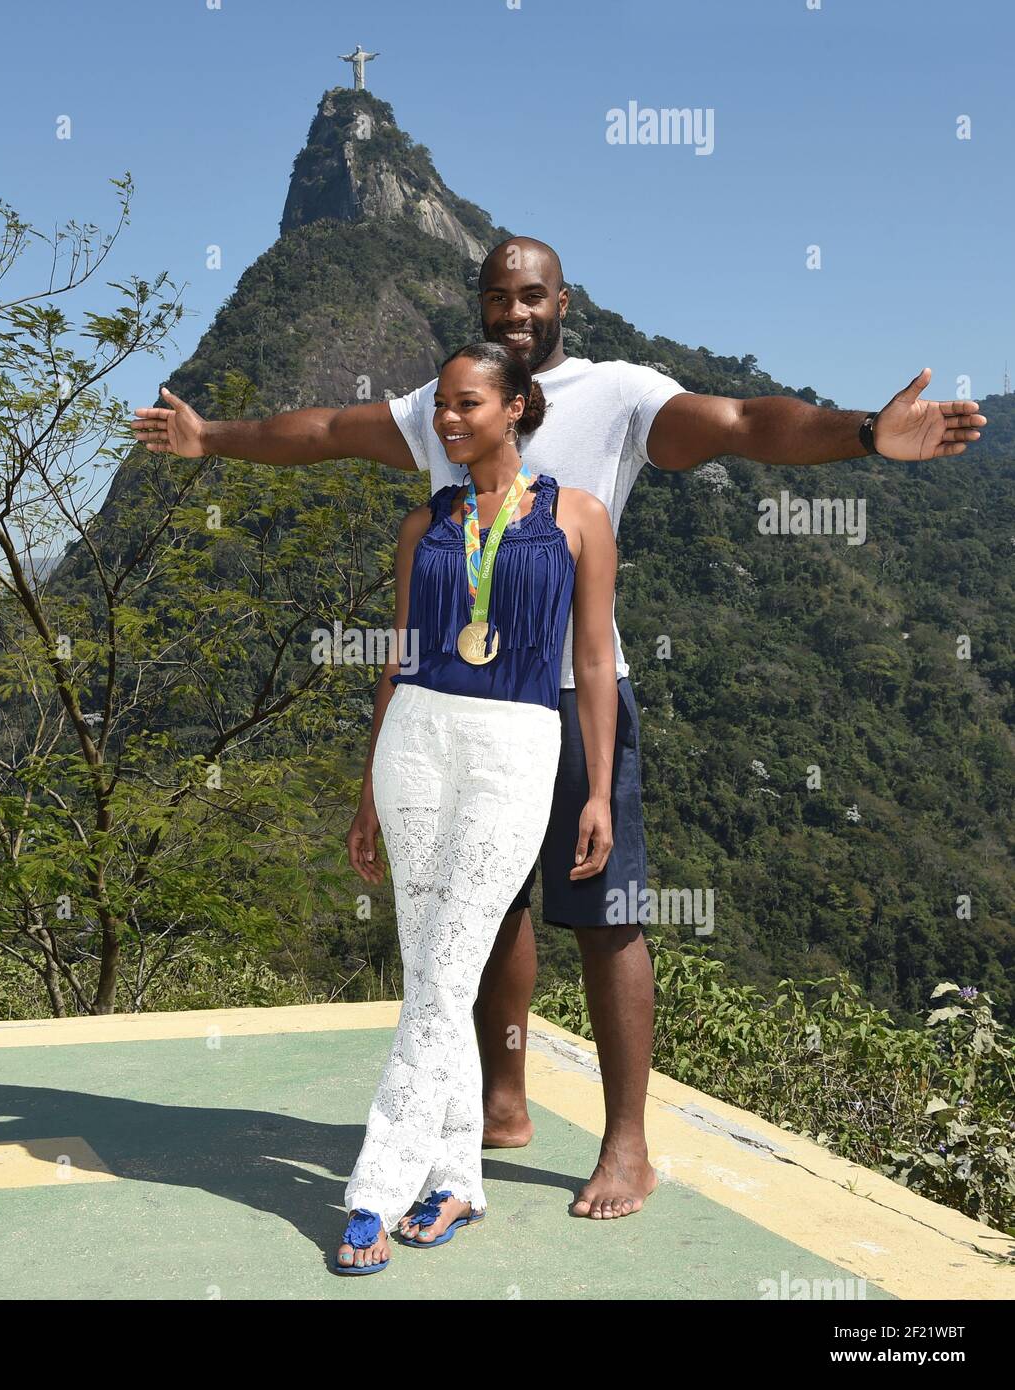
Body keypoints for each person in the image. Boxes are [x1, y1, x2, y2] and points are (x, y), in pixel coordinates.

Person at [132, 236, 986, 1225]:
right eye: (498, 298)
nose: (514, 314)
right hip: (462, 710)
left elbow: (747, 421)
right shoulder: (456, 399)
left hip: (579, 691)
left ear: (562, 300)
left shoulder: (617, 390)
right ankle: (501, 1101)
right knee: (488, 906)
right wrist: (213, 438)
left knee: (605, 909)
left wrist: (861, 437)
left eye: (531, 296)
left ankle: (627, 1143)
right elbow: (324, 427)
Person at [331, 340, 617, 1273]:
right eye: (441, 408)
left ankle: (374, 1188)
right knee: (434, 972)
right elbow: (400, 659)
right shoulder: (426, 525)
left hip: (518, 747)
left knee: (449, 971)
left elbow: (589, 665)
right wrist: (369, 789)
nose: (447, 422)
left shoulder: (579, 517)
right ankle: (455, 1180)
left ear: (516, 407)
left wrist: (599, 790)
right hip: (417, 741)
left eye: (467, 405)